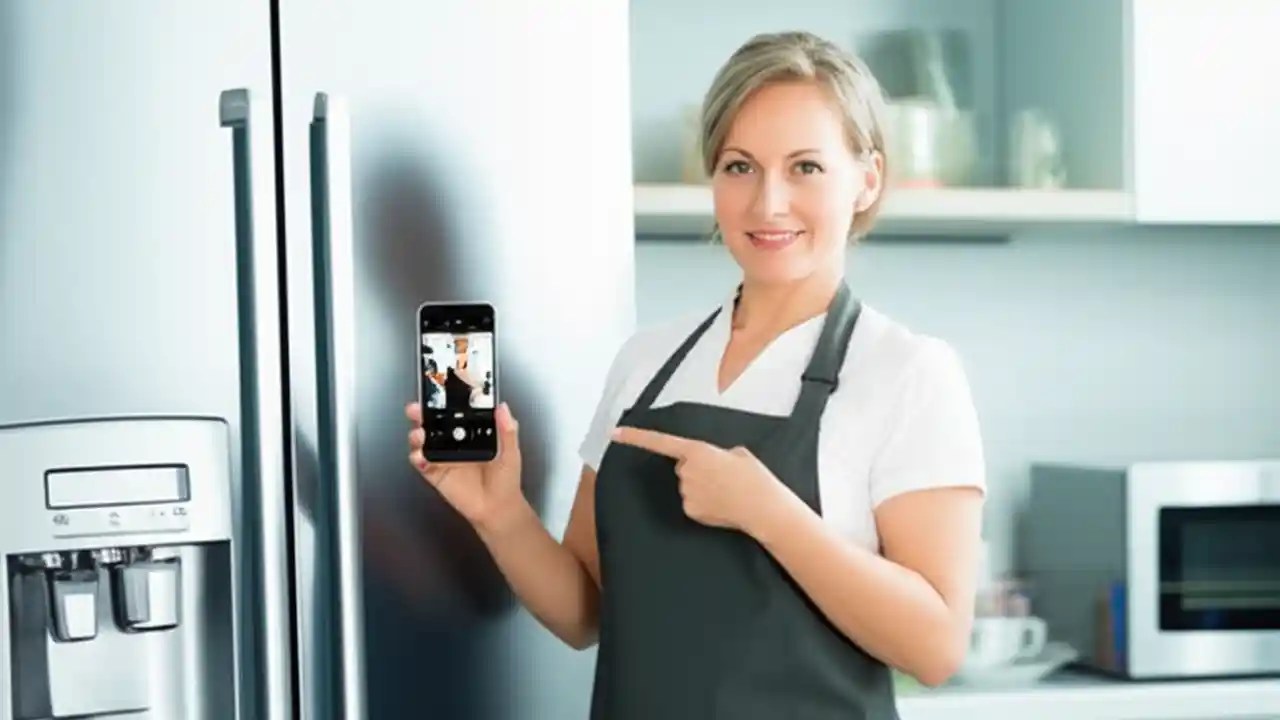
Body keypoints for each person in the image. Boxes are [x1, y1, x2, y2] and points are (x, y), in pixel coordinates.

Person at [405, 30, 985, 719]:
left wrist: (769, 515)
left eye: (805, 167)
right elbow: (586, 612)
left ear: (867, 180)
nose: (768, 203)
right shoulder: (648, 361)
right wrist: (498, 512)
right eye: (740, 167)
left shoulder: (909, 372)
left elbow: (937, 647)